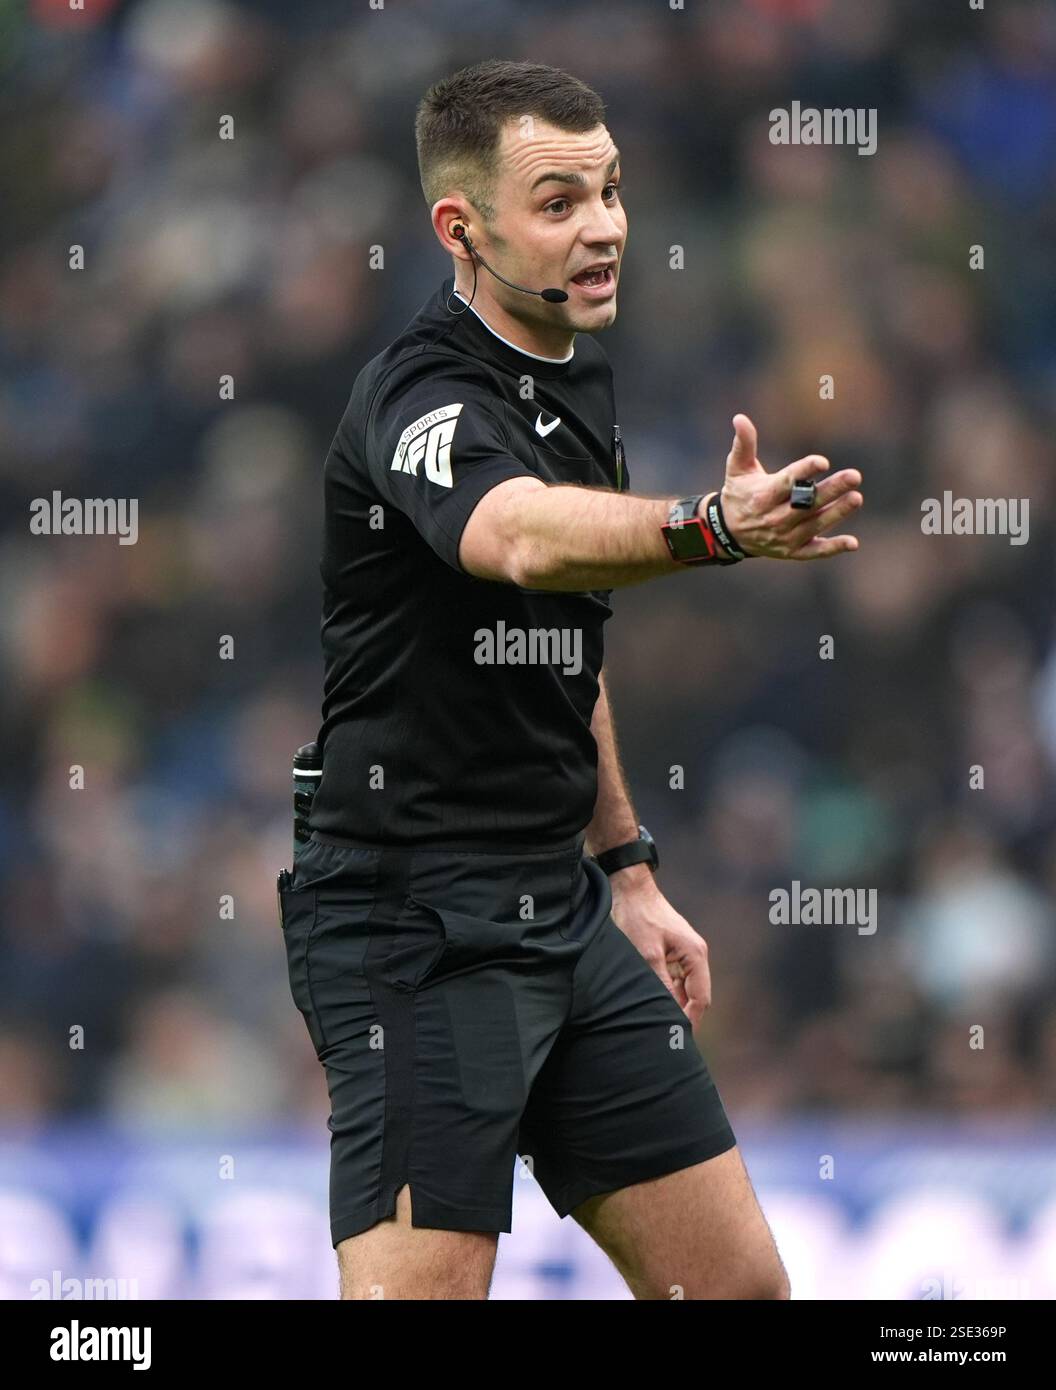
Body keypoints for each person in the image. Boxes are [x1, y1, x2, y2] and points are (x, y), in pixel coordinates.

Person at [278, 59, 863, 1300]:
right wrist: (710, 528)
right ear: (462, 228)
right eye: (557, 202)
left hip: (558, 899)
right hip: (413, 922)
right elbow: (522, 539)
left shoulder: (573, 370)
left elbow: (558, 637)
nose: (602, 226)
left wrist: (628, 867)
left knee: (739, 1288)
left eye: (610, 191)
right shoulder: (419, 395)